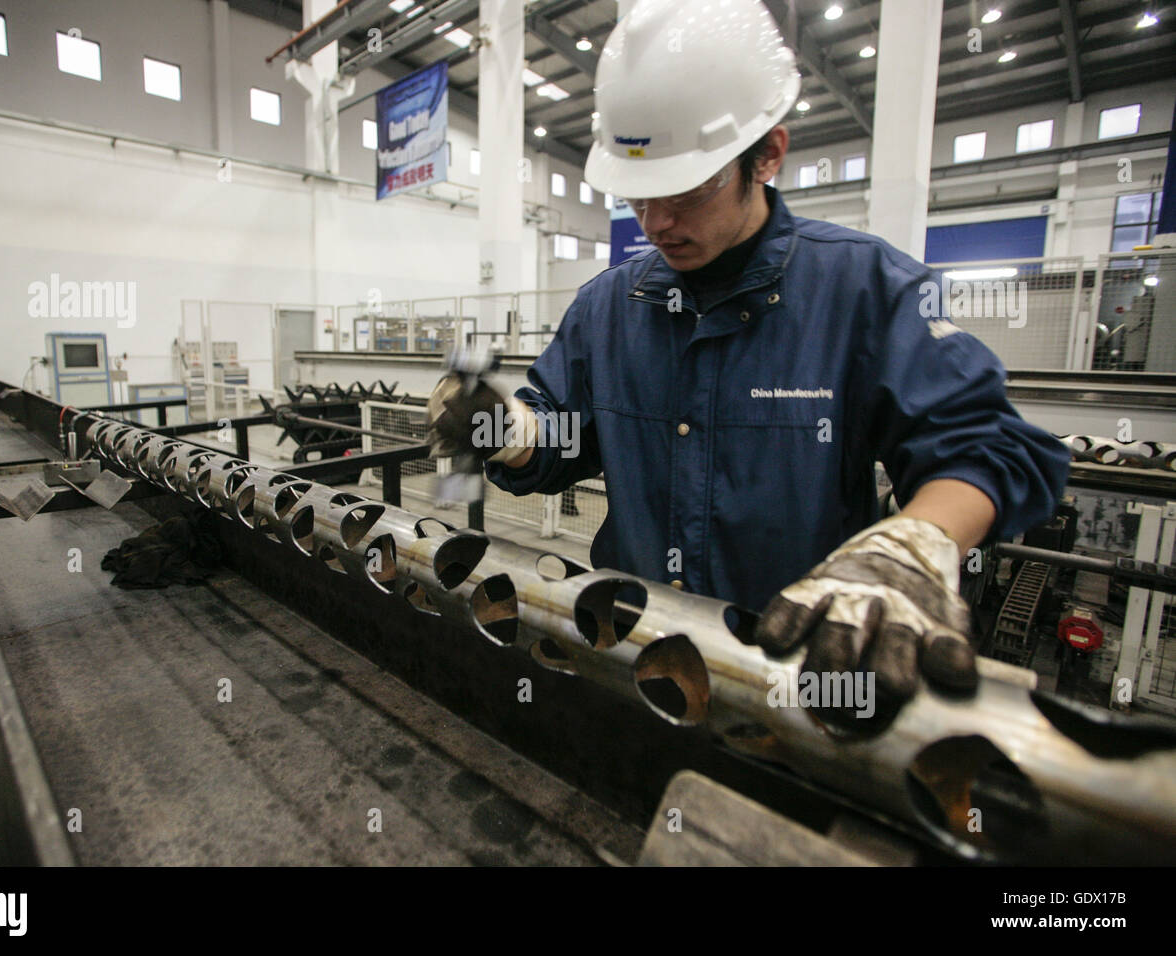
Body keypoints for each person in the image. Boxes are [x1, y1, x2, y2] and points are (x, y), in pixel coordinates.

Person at [428, 0, 1070, 722]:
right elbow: (559, 442)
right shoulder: (608, 309)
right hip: (628, 659)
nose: (658, 223)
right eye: (640, 197)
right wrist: (509, 429)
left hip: (796, 687)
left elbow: (991, 449)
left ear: (767, 156)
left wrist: (912, 548)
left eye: (687, 191)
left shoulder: (864, 292)